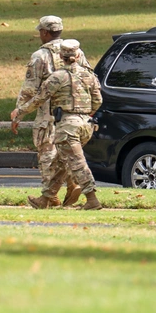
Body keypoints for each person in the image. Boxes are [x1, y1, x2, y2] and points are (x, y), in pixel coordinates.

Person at [12, 40, 104, 210]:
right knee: (59, 163)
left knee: (77, 163)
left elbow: (39, 99)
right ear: (77, 56)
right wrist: (84, 113)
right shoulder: (89, 75)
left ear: (61, 57)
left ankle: (92, 199)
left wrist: (20, 111)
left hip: (67, 127)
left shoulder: (57, 77)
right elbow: (98, 101)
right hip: (87, 125)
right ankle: (45, 198)